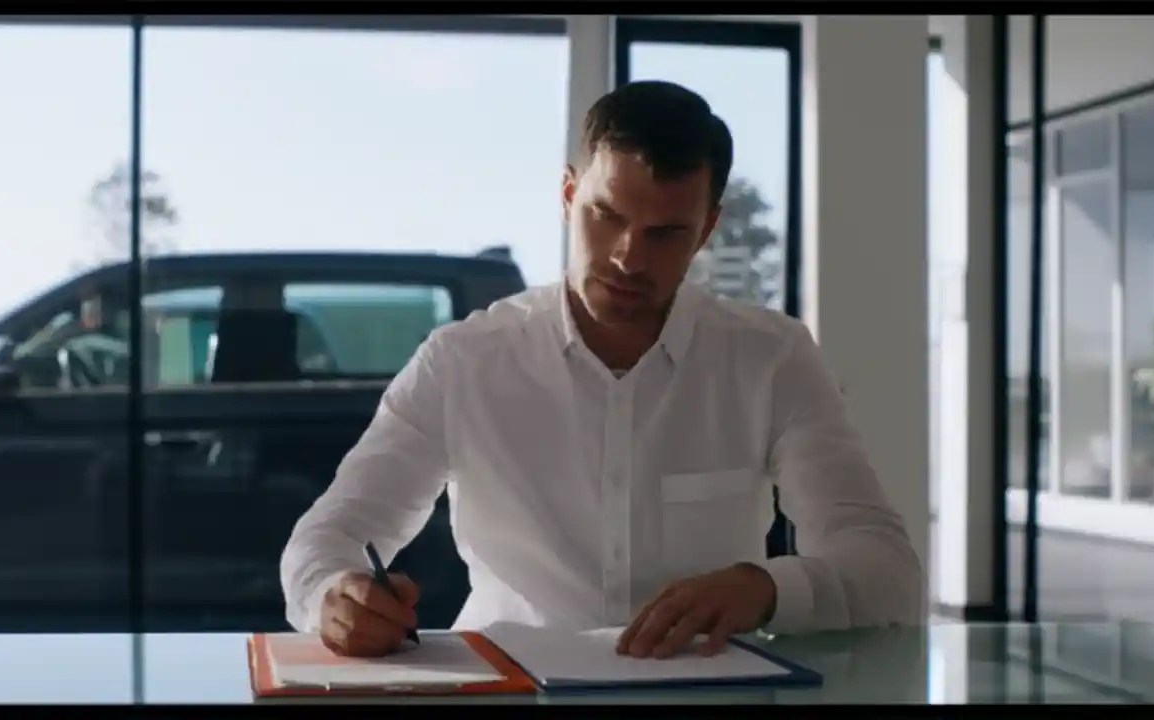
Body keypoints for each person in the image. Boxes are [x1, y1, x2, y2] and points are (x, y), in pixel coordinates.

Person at [281, 80, 923, 659]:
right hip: (513, 688)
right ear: (568, 194)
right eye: (606, 216)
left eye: (665, 233)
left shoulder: (772, 359)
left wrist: (764, 589)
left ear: (706, 230)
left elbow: (887, 572)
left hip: (707, 691)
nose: (627, 258)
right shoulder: (461, 362)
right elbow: (326, 537)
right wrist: (332, 596)